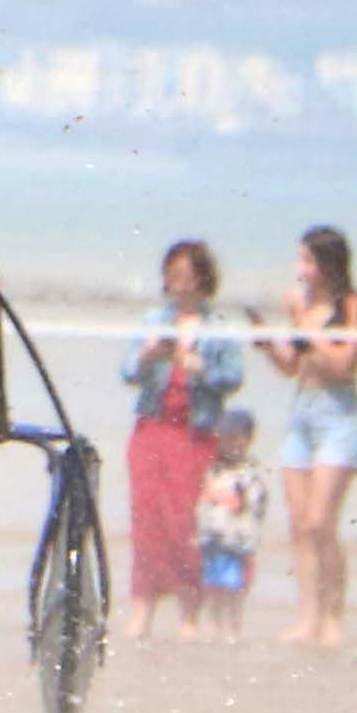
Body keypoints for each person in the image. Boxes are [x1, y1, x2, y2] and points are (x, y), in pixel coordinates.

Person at [116, 236, 241, 638]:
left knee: (187, 524)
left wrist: (198, 365)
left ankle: (189, 614)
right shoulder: (155, 320)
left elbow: (233, 378)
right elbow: (126, 372)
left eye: (186, 276)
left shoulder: (218, 327)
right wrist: (148, 356)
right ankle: (142, 613)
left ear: (203, 278)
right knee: (147, 523)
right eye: (172, 276)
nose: (179, 284)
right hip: (153, 427)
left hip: (195, 431)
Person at [268, 223, 357, 650]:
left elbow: (344, 364)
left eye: (307, 260)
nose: (300, 270)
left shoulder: (351, 305)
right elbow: (293, 366)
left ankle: (333, 618)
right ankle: (307, 617)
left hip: (338, 415)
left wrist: (312, 335)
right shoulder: (299, 304)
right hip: (302, 413)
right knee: (298, 523)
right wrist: (273, 346)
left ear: (326, 264)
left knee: (320, 520)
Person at [194, 409, 265, 639]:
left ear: (248, 439)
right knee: (212, 586)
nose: (229, 444)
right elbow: (203, 502)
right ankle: (213, 627)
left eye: (235, 437)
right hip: (212, 540)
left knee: (233, 588)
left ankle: (234, 628)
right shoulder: (214, 470)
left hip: (237, 541)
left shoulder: (251, 473)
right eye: (224, 437)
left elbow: (254, 507)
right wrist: (197, 531)